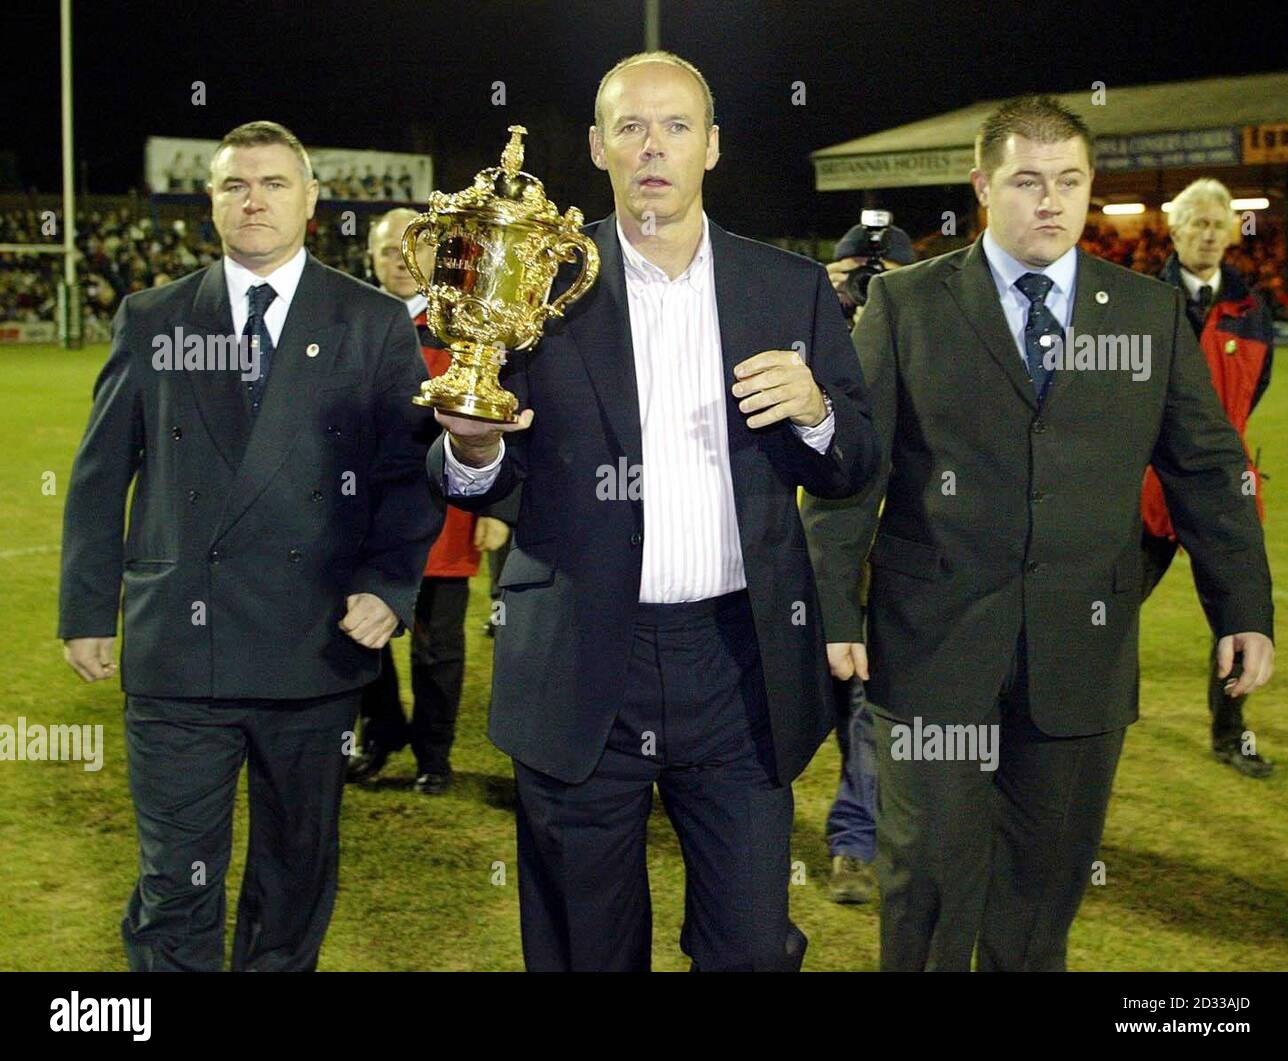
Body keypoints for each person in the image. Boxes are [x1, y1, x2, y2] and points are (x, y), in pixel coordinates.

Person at [803, 95, 1274, 972]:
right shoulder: (906, 305)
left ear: (1091, 188)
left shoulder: (1142, 313)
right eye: (1027, 181)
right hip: (935, 652)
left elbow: (1208, 471)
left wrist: (1243, 608)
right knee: (929, 886)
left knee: (1041, 895)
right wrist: (833, 608)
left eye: (1069, 182)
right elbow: (851, 473)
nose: (1050, 202)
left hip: (1079, 664)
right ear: (984, 187)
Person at [428, 51, 875, 971]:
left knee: (751, 947)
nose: (653, 147)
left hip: (737, 663)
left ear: (711, 146)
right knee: (585, 948)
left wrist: (818, 412)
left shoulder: (787, 289)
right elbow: (496, 467)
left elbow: (855, 468)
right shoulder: (538, 287)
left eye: (675, 126)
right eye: (630, 127)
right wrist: (473, 449)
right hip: (583, 656)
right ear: (598, 148)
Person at [58, 121, 439, 971]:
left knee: (294, 874)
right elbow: (97, 476)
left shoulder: (372, 321)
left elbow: (406, 474)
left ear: (311, 199)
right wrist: (88, 607)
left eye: (273, 183)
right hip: (177, 652)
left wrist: (388, 583)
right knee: (175, 881)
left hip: (314, 646)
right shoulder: (152, 316)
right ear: (213, 202)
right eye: (235, 185)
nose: (254, 199)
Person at [347, 208, 511, 792]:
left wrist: (492, 511)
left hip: (445, 515)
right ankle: (381, 732)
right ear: (371, 255)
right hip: (361, 516)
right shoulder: (352, 320)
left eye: (407, 249)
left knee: (438, 648)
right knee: (360, 635)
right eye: (386, 249)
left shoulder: (469, 326)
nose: (397, 260)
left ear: (432, 255)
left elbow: (497, 418)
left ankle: (433, 757)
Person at [1140, 178, 1275, 778]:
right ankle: (1077, 723)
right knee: (1105, 608)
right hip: (1149, 493)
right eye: (1199, 223)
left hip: (1223, 493)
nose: (1211, 235)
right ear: (1175, 232)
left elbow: (1256, 389)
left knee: (1236, 620)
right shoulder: (1143, 300)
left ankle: (1230, 735)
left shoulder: (1252, 309)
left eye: (1220, 225)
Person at [820, 221, 916, 904]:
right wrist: (824, 311)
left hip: (885, 552)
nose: (866, 288)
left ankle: (855, 838)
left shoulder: (933, 328)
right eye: (858, 273)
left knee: (865, 702)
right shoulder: (806, 318)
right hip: (788, 550)